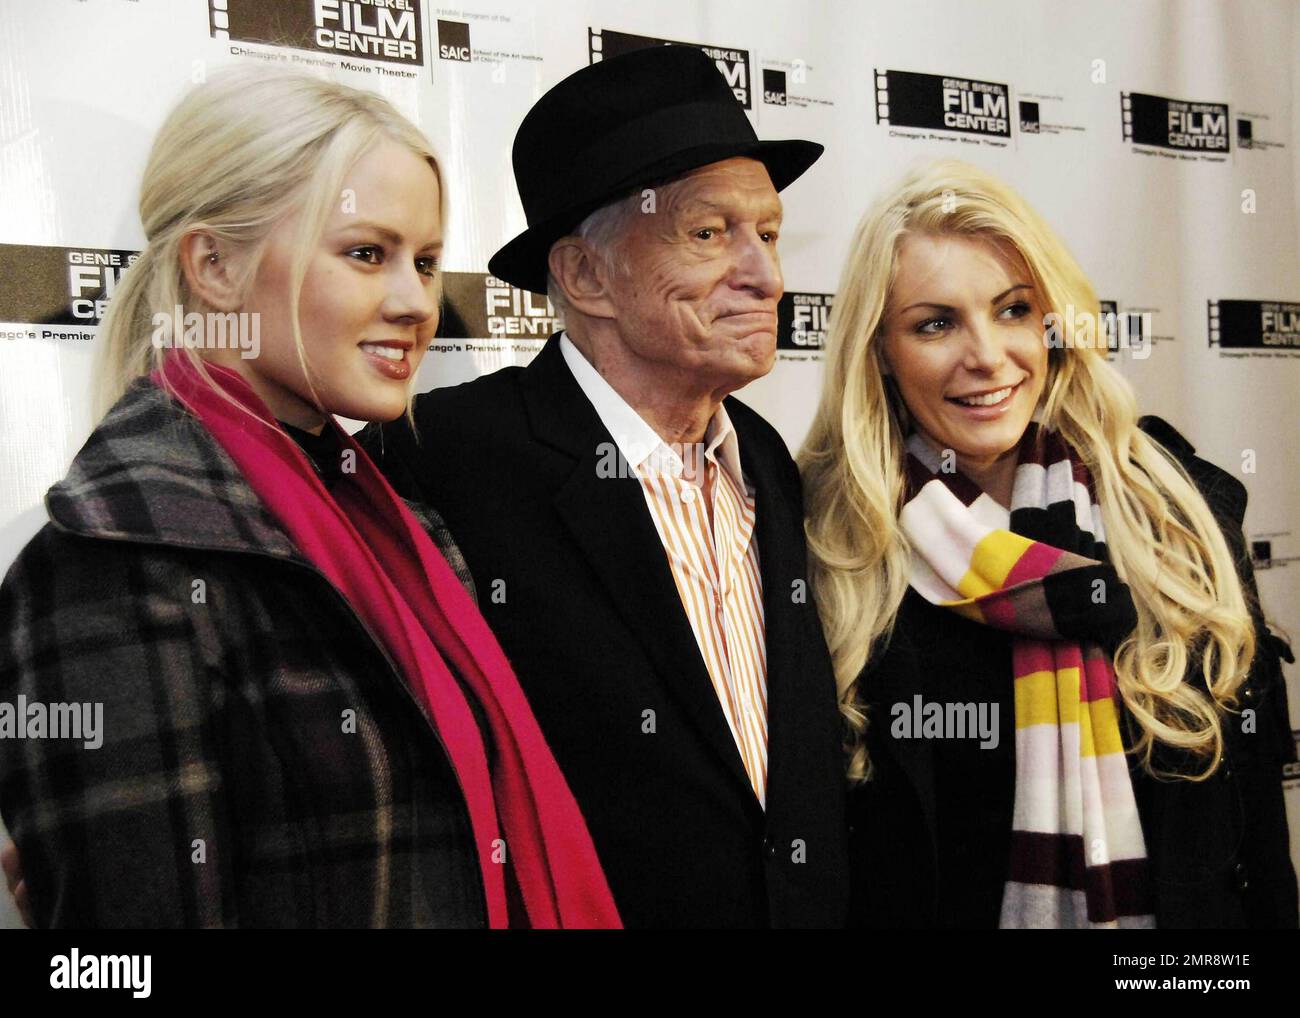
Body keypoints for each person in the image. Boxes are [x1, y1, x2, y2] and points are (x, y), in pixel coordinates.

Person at [0, 66, 618, 929]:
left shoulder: (400, 523)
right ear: (214, 266)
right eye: (367, 253)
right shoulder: (113, 562)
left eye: (427, 260)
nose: (416, 302)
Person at [361, 45, 849, 928]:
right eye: (710, 234)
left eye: (768, 234)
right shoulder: (442, 459)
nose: (767, 277)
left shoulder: (771, 464)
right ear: (586, 276)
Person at [800, 159, 1298, 928]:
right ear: (882, 354)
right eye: (935, 323)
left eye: (1013, 310)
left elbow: (1258, 844)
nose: (988, 357)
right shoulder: (832, 547)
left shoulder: (1174, 509)